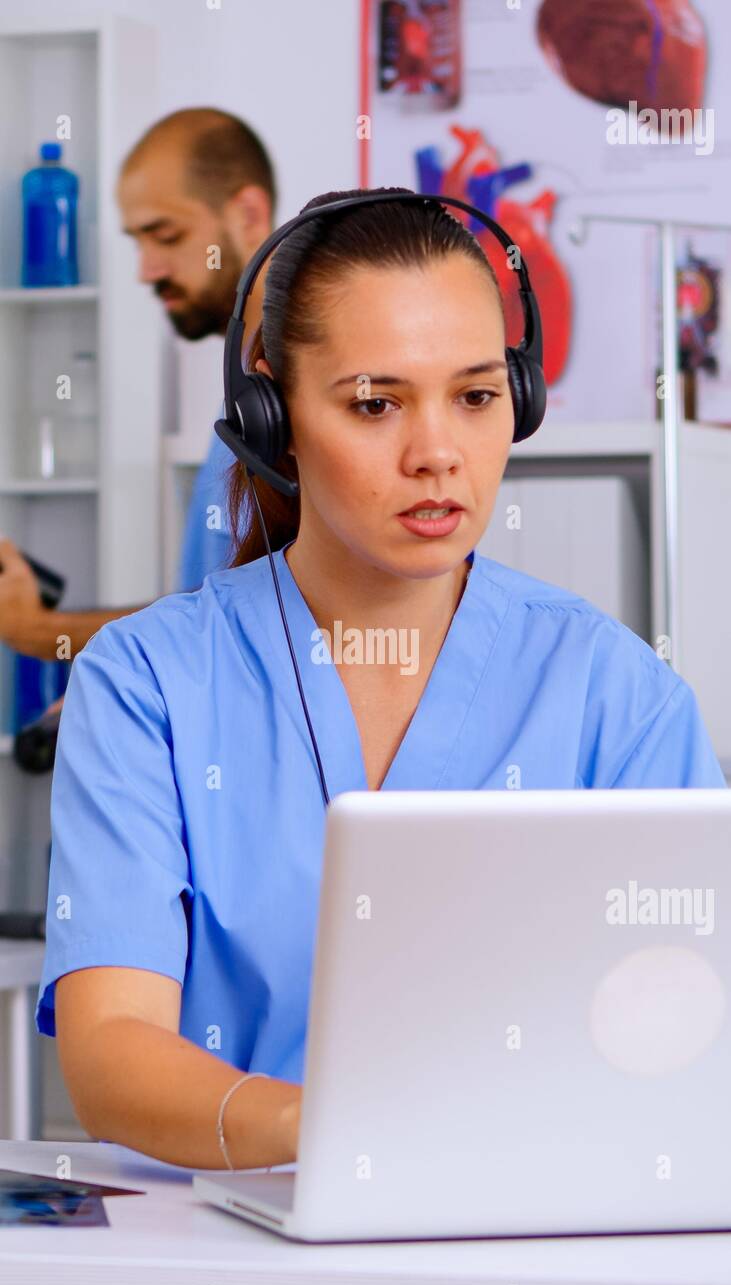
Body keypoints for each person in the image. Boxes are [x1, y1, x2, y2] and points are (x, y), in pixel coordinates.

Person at [36, 188, 725, 1173]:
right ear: (272, 415)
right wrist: (333, 1141)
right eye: (373, 402)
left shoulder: (608, 690)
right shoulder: (147, 682)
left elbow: (687, 1015)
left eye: (476, 396)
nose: (435, 453)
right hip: (232, 1241)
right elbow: (111, 1055)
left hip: (535, 1233)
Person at [0, 108, 276, 663]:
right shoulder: (246, 393)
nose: (146, 270)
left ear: (247, 214)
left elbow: (236, 638)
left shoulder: (290, 396)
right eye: (137, 242)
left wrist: (40, 632)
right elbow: (204, 607)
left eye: (165, 235)